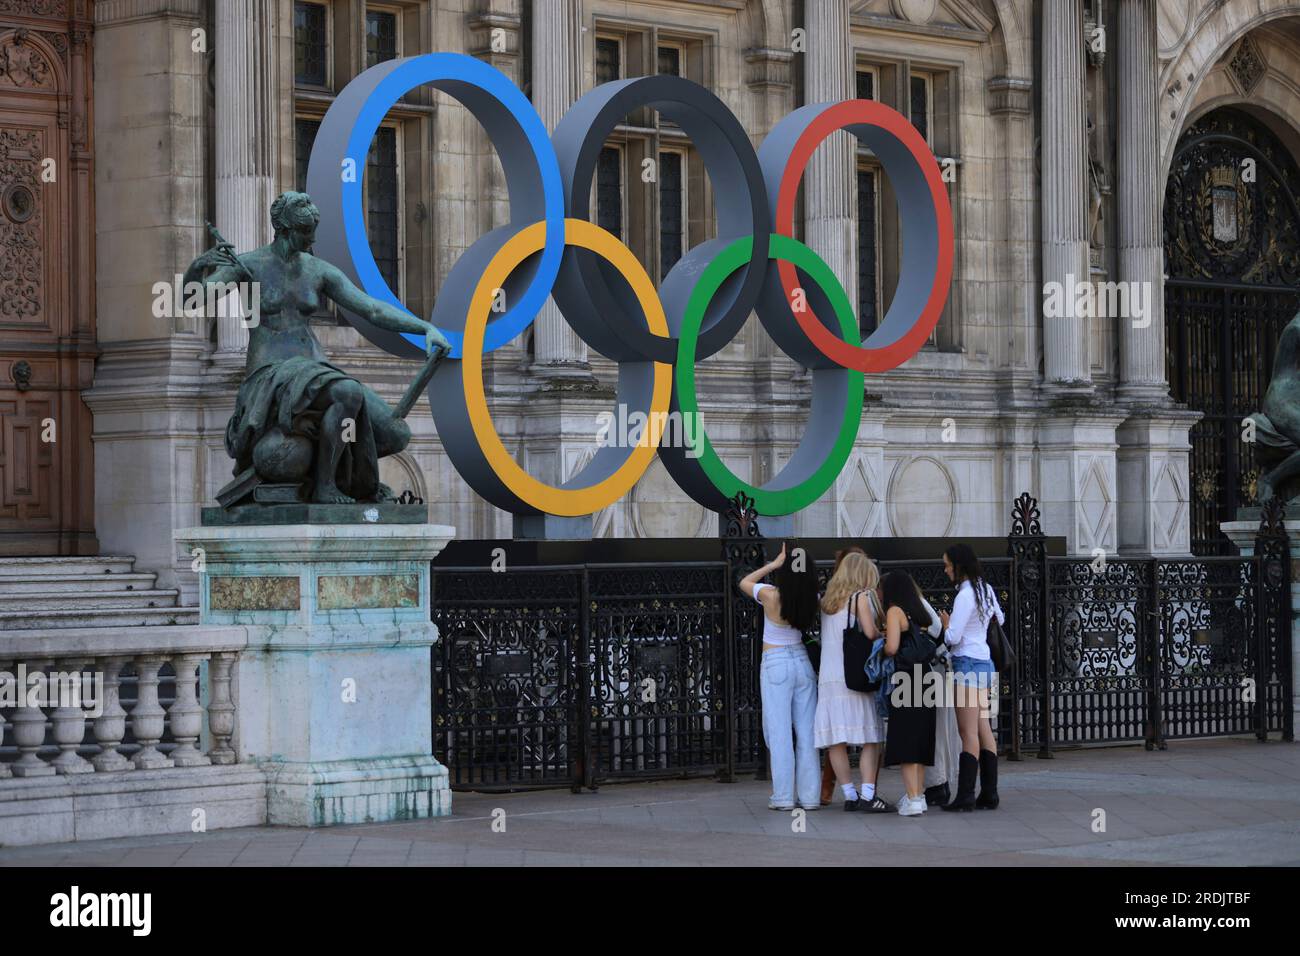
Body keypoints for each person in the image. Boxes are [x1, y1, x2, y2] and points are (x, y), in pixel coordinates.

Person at [740, 542, 821, 811]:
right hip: (802, 662)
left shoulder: (770, 594)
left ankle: (784, 796)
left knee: (779, 732)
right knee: (807, 733)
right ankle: (810, 797)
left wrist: (773, 564)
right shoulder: (812, 598)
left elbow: (744, 582)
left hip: (775, 663)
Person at [814, 551, 891, 812]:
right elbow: (870, 633)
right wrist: (885, 632)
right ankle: (869, 794)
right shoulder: (860, 598)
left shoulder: (827, 602)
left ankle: (849, 794)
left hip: (829, 678)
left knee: (836, 739)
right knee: (871, 736)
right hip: (854, 677)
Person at [937, 543, 1006, 811]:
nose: (945, 570)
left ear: (959, 566)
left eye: (947, 565)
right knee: (983, 728)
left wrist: (946, 624)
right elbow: (999, 618)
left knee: (967, 733)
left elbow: (953, 637)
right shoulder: (985, 589)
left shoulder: (965, 595)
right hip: (985, 663)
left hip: (966, 664)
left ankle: (966, 795)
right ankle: (989, 793)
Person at [878, 570, 938, 817]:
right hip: (924, 677)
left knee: (906, 738)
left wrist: (881, 645)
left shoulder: (894, 611)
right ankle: (919, 796)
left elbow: (892, 647)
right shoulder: (917, 613)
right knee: (921, 738)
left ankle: (912, 798)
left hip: (905, 678)